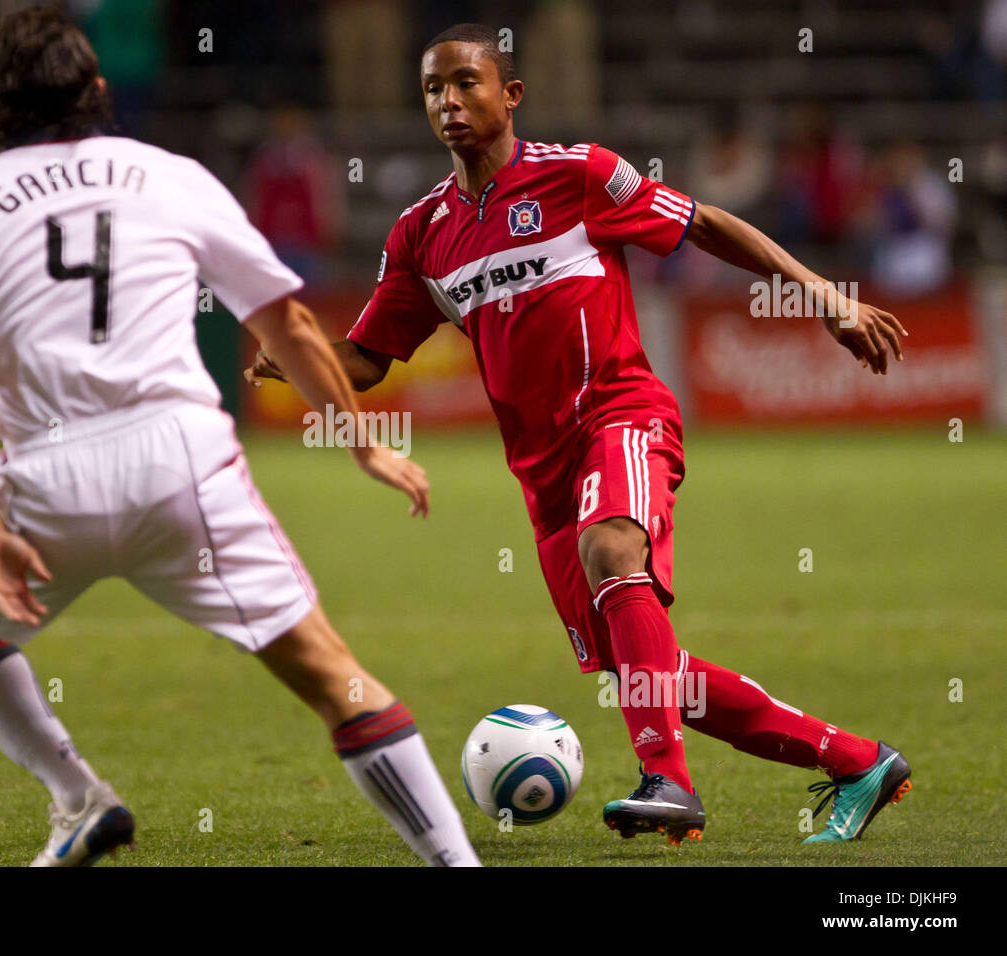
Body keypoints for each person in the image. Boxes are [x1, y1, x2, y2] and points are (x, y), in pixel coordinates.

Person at [248, 23, 913, 846]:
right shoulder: (422, 233)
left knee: (612, 553)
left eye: (466, 83)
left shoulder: (580, 175)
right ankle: (857, 760)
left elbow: (703, 224)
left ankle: (668, 782)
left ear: (509, 94)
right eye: (432, 89)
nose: (449, 102)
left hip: (621, 415)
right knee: (647, 672)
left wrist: (826, 297)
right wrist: (297, 357)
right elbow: (367, 358)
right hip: (542, 475)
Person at [0, 6, 480, 868]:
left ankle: (77, 796)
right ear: (97, 91)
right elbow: (288, 326)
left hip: (44, 484)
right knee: (335, 677)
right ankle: (456, 865)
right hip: (184, 467)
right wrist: (362, 443)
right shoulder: (170, 177)